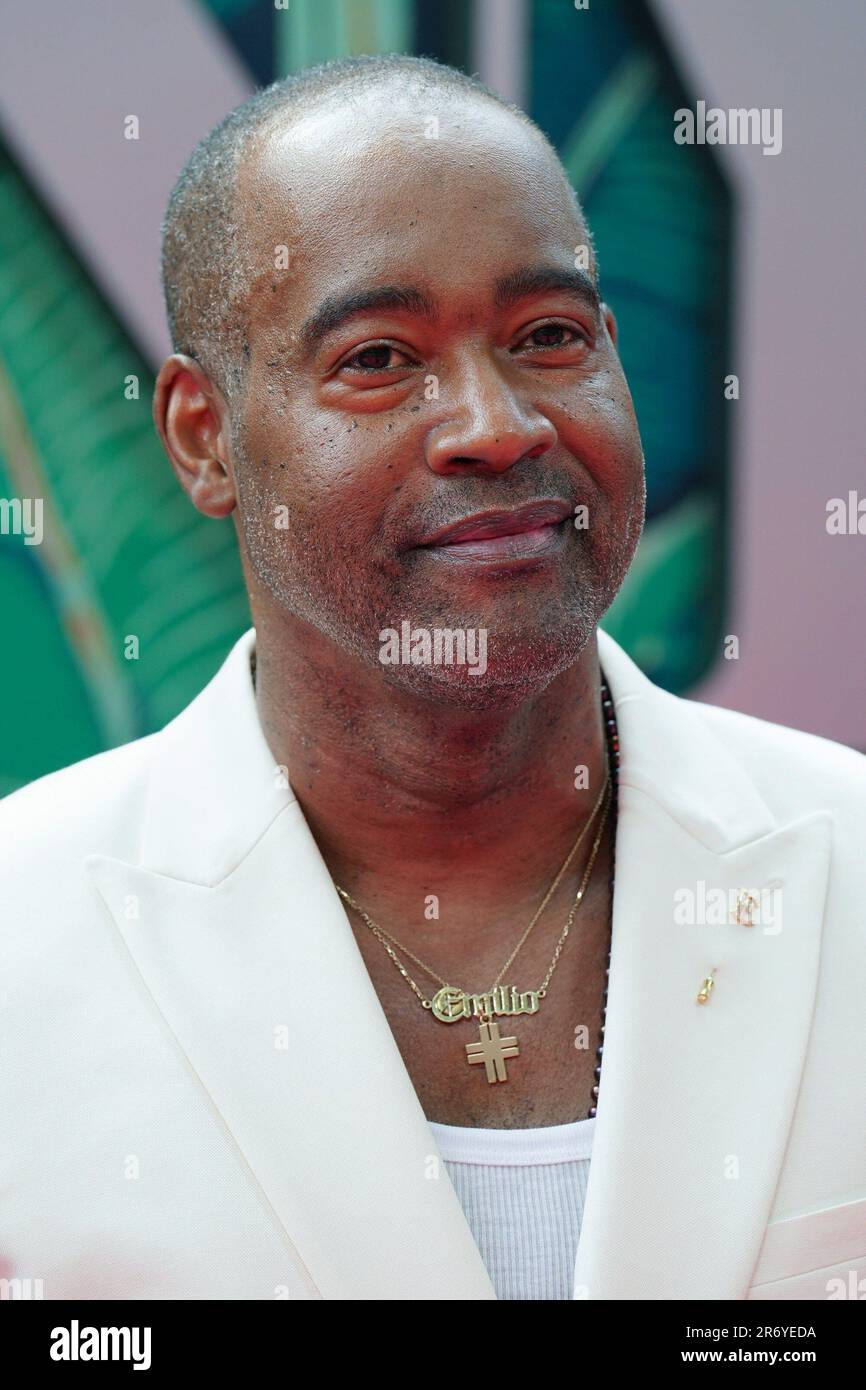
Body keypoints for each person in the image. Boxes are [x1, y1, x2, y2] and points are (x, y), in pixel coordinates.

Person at [1, 54, 864, 1303]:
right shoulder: (23, 941)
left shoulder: (848, 863)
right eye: (377, 357)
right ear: (204, 436)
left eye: (547, 336)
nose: (494, 423)